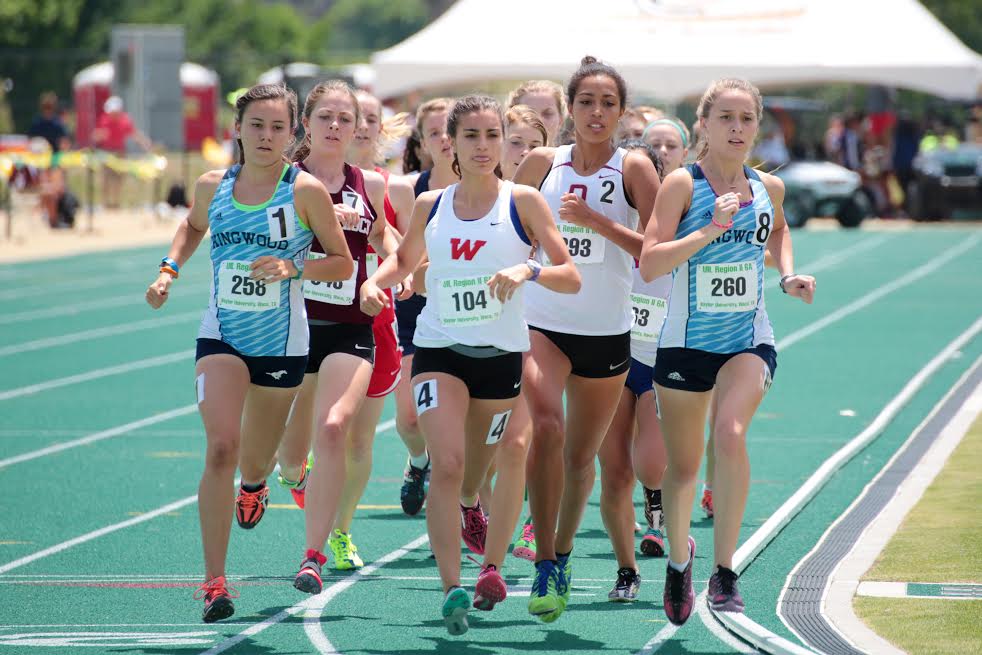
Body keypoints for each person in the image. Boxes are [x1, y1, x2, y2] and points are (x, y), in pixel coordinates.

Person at [360, 95, 580, 635]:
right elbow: (405, 260)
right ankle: (453, 586)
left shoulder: (523, 202)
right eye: (471, 136)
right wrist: (375, 282)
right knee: (450, 463)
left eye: (492, 136)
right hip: (439, 349)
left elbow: (569, 274)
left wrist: (527, 271)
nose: (483, 147)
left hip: (500, 357)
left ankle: (479, 533)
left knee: (477, 472)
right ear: (450, 143)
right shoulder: (430, 204)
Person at [144, 83, 352, 622]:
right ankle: (214, 582)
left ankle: (255, 485)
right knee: (220, 448)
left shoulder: (304, 191)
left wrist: (293, 267)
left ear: (293, 134)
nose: (265, 136)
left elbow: (342, 262)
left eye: (277, 127)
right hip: (222, 335)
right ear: (236, 128)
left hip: (281, 344)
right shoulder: (213, 185)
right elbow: (191, 230)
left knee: (255, 460)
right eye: (256, 125)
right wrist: (169, 272)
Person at [639, 77, 816, 625]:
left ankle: (724, 570)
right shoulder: (681, 187)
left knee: (731, 433)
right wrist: (710, 230)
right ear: (704, 125)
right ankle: (677, 560)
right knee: (684, 466)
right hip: (686, 343)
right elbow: (650, 262)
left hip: (747, 338)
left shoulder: (769, 187)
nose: (737, 129)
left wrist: (787, 275)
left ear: (757, 126)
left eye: (746, 119)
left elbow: (779, 231)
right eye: (726, 118)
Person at [513, 56, 661, 623]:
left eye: (607, 104)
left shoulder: (635, 168)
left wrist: (596, 220)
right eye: (586, 103)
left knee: (581, 462)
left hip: (605, 331)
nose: (596, 113)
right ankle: (545, 560)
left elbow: (653, 255)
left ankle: (565, 553)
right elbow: (509, 229)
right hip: (541, 318)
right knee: (546, 425)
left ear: (622, 113)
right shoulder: (540, 164)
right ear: (569, 109)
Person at [270, 81, 400, 592]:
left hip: (349, 325)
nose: (335, 127)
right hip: (292, 324)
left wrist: (389, 272)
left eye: (345, 119)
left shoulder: (368, 184)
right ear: (306, 122)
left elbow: (385, 239)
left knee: (334, 430)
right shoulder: (286, 181)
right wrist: (319, 222)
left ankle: (313, 555)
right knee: (288, 454)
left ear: (356, 128)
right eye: (325, 117)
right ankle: (286, 473)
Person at [593, 139, 669, 604]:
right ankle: (627, 568)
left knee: (651, 462)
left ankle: (659, 516)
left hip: (660, 366)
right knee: (614, 471)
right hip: (610, 360)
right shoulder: (601, 235)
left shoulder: (672, 236)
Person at [394, 98, 459, 517]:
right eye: (435, 132)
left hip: (469, 316)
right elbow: (401, 253)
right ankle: (419, 461)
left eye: (452, 131)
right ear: (422, 142)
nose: (445, 140)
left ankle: (456, 507)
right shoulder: (409, 191)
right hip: (415, 313)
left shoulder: (498, 188)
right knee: (409, 420)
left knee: (458, 426)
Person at [92, 95, 152, 208]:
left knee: (118, 179)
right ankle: (105, 203)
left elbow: (134, 134)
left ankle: (115, 202)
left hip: (120, 153)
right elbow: (96, 135)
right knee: (105, 178)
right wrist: (99, 136)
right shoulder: (104, 119)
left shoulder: (125, 120)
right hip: (107, 153)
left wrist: (145, 143)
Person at [27, 92, 71, 227]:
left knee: (45, 190)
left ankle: (48, 214)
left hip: (40, 163)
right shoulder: (57, 124)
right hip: (53, 162)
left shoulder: (36, 123)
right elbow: (64, 144)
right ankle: (52, 218)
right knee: (53, 190)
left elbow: (30, 143)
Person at [508, 80, 567, 147]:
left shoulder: (570, 157)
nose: (539, 120)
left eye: (547, 114)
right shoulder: (497, 156)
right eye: (529, 113)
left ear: (560, 120)